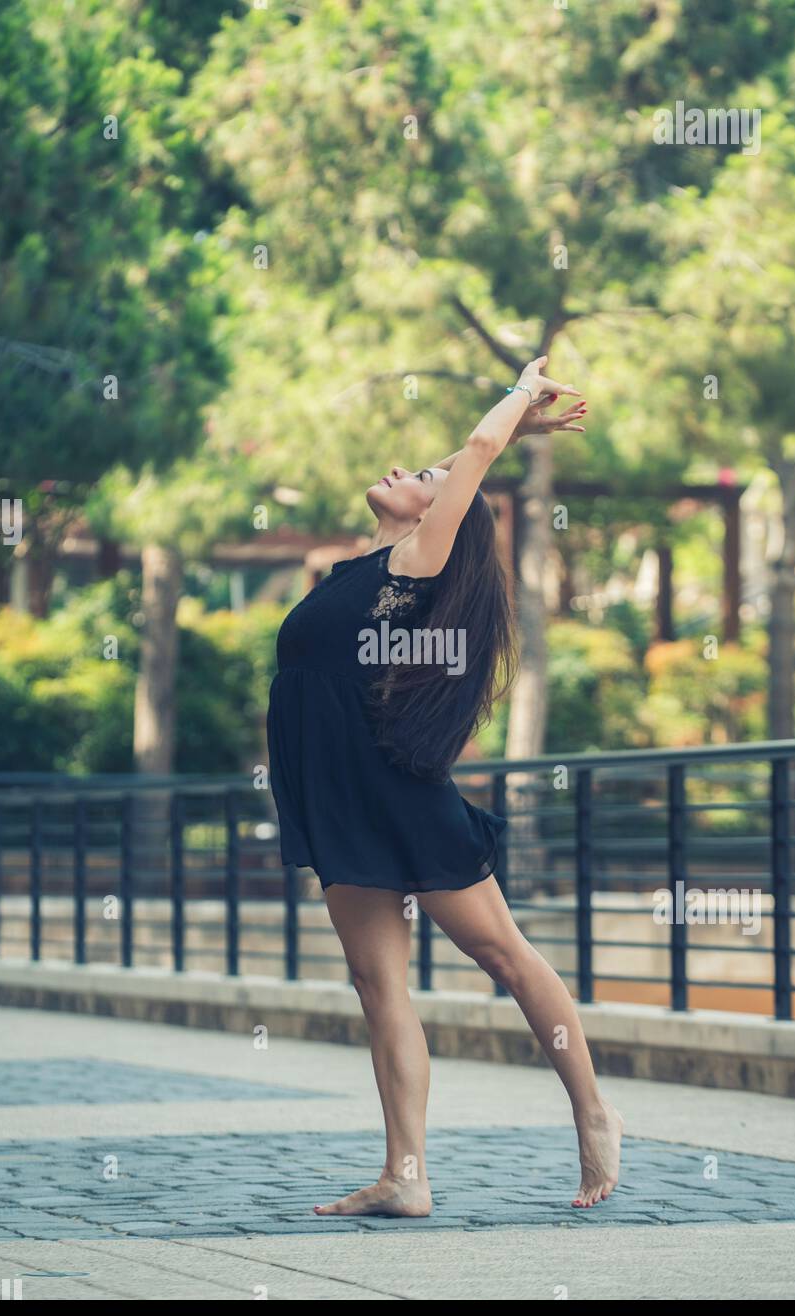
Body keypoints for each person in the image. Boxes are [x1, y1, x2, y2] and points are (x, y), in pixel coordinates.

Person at [266, 357, 622, 1215]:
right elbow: (461, 461)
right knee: (375, 983)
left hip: (394, 795)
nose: (406, 468)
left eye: (425, 476)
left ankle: (593, 1116)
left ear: (441, 511)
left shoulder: (418, 564)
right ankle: (405, 1177)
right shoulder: (367, 572)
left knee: (502, 952)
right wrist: (502, 437)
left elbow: (469, 452)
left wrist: (520, 395)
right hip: (336, 797)